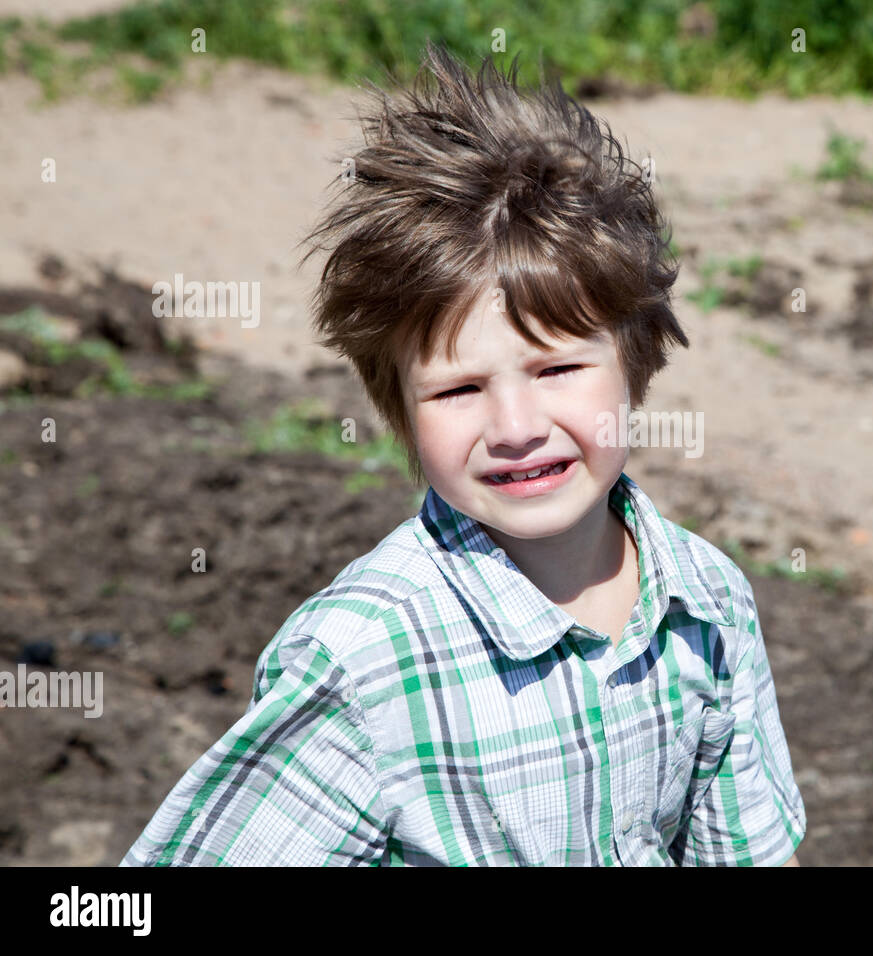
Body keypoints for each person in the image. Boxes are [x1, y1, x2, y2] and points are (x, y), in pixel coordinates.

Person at [121, 41, 805, 866]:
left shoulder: (708, 602)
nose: (515, 425)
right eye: (457, 390)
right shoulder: (364, 660)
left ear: (635, 363)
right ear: (402, 414)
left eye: (556, 370)